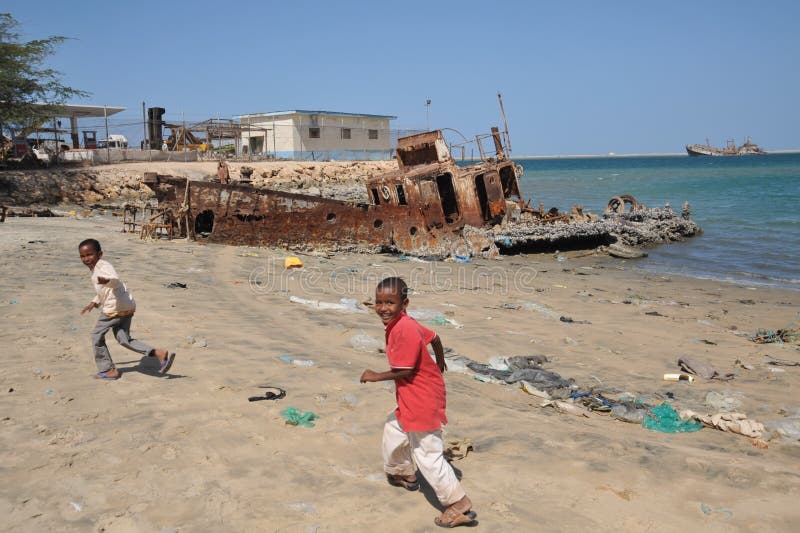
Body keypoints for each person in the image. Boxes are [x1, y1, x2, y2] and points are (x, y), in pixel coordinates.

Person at [360, 277, 476, 528]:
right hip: (412, 396)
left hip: (422, 399)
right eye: (379, 302)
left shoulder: (404, 329)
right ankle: (402, 472)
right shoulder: (403, 322)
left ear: (404, 304)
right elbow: (435, 337)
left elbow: (406, 370)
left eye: (390, 302)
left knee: (427, 453)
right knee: (394, 428)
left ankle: (459, 503)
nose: (383, 308)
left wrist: (374, 376)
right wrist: (440, 361)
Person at [78, 238, 175, 379]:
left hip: (114, 309)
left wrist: (107, 281)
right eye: (82, 256)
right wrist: (94, 302)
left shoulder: (103, 266)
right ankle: (158, 353)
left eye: (89, 254)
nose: (86, 259)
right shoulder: (97, 268)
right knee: (124, 339)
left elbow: (115, 281)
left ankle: (108, 369)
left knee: (96, 336)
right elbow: (105, 291)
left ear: (100, 254)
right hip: (126, 306)